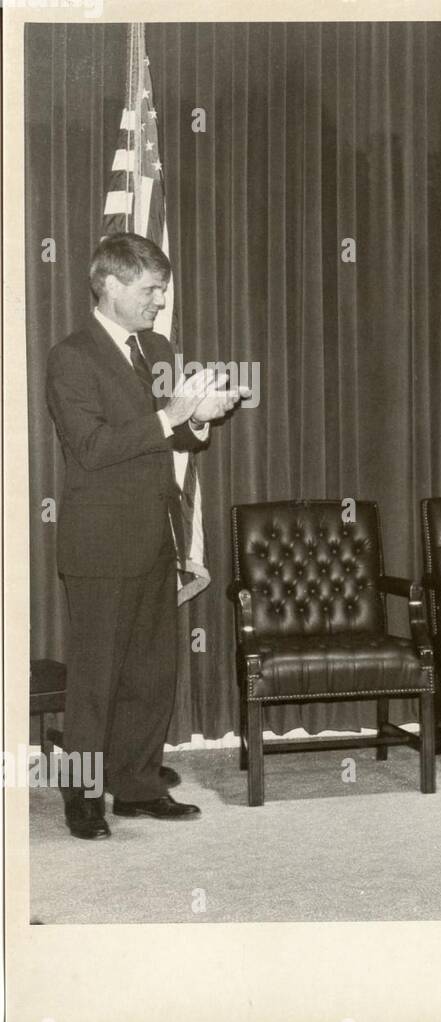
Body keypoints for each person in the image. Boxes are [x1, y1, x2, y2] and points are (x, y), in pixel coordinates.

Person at [46, 232, 247, 840]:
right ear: (108, 285)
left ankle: (134, 786)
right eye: (149, 289)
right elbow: (93, 447)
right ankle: (82, 797)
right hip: (101, 546)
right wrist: (172, 415)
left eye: (161, 289)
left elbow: (172, 437)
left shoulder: (156, 346)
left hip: (159, 538)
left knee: (151, 673)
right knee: (95, 679)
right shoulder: (71, 356)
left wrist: (202, 420)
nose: (160, 300)